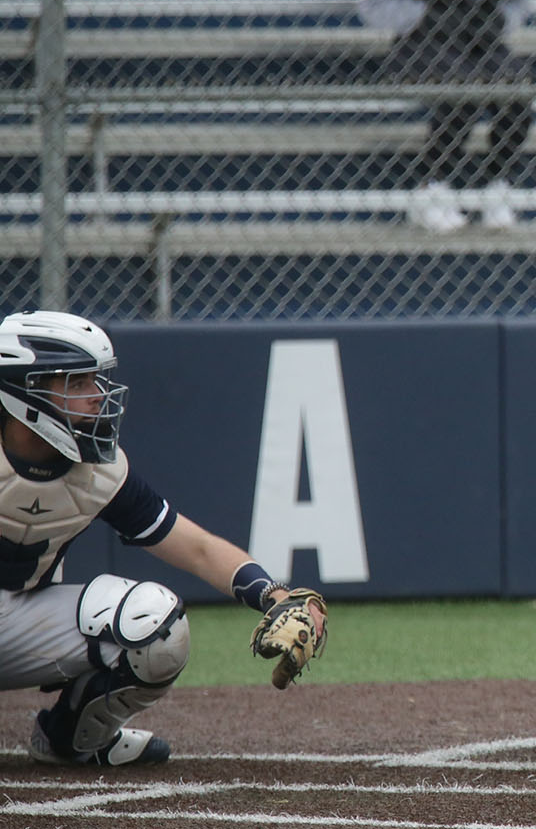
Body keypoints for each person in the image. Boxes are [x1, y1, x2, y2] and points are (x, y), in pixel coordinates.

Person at [0, 310, 326, 766]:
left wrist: (275, 596)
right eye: (76, 383)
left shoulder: (101, 473)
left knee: (156, 624)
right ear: (24, 391)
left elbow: (197, 548)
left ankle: (70, 740)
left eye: (97, 381)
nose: (97, 397)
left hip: (17, 622)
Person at [358, 0, 536, 234]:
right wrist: (427, 17)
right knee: (461, 88)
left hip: (481, 37)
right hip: (422, 39)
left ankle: (495, 184)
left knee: (517, 91)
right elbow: (372, 3)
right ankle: (432, 186)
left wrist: (499, 21)